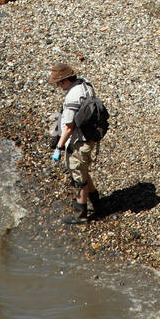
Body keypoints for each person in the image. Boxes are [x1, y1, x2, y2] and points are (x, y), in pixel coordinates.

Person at [49, 63, 105, 223]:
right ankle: (97, 203)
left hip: (79, 142)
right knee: (83, 170)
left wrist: (59, 147)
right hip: (90, 137)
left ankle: (80, 216)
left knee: (78, 177)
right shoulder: (85, 84)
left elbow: (68, 127)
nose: (57, 86)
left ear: (64, 80)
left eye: (58, 83)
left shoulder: (72, 96)